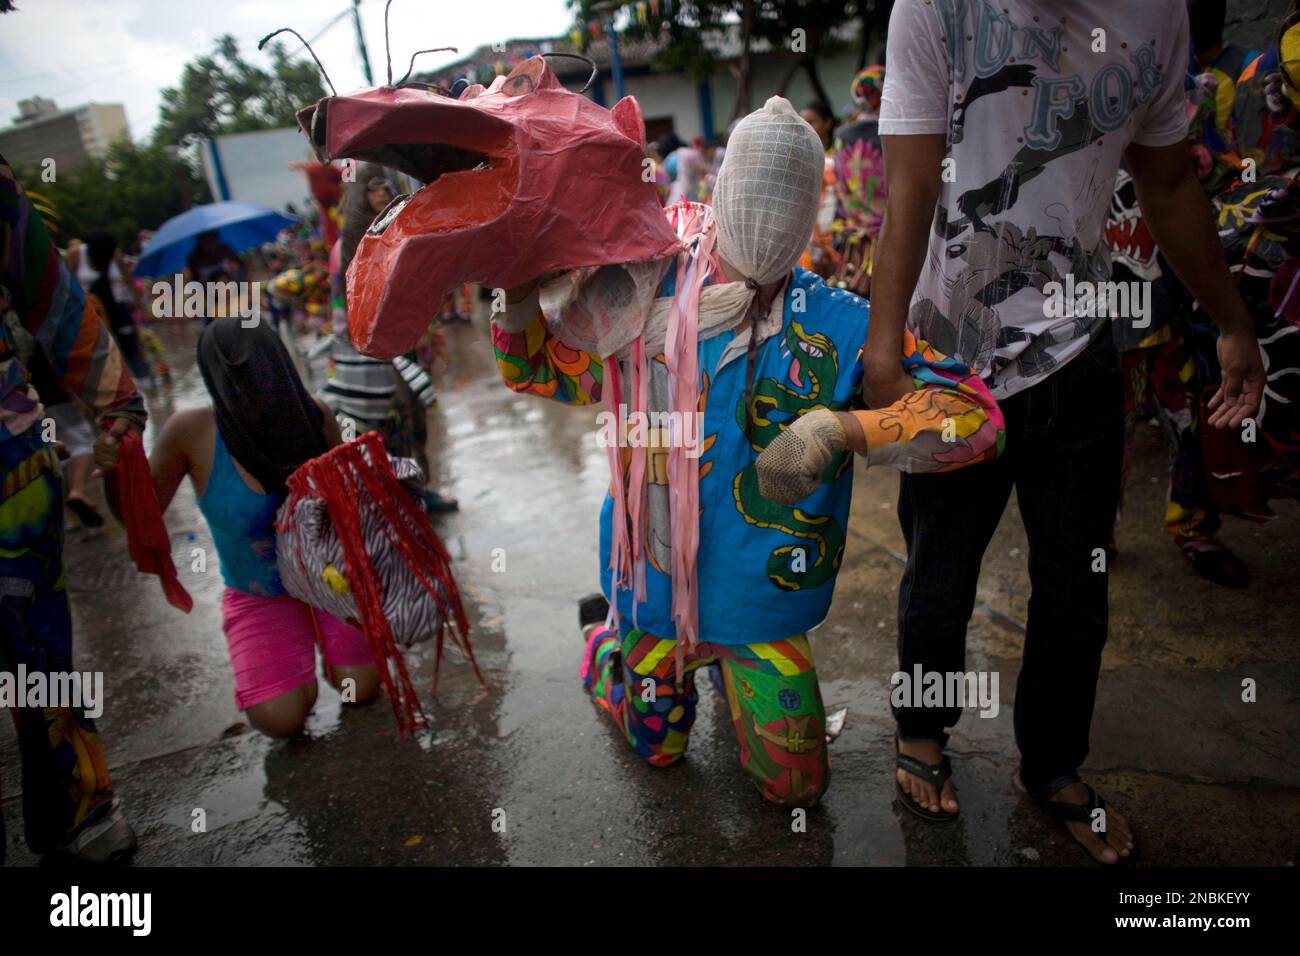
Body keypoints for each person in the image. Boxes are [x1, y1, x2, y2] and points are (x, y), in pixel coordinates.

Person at [493, 97, 1004, 806]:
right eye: (755, 191)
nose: (767, 215)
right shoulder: (639, 285)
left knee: (795, 789)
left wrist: (842, 430)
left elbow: (975, 419)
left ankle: (727, 673)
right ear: (723, 189)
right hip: (651, 589)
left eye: (787, 198)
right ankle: (604, 649)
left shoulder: (837, 323)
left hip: (759, 598)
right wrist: (516, 287)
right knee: (659, 747)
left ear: (810, 213)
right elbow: (537, 368)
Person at [870, 0, 1265, 862]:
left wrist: (1232, 321)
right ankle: (924, 731)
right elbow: (907, 184)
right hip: (952, 358)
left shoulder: (1154, 17)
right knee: (940, 572)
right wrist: (883, 348)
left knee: (1076, 588)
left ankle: (1052, 766)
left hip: (1085, 352)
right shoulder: (934, 8)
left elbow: (1166, 185)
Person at [123, 317, 379, 737]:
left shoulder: (314, 414)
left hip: (330, 582)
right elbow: (139, 516)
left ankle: (331, 660)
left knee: (359, 690)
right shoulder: (191, 431)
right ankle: (293, 675)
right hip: (258, 595)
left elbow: (349, 508)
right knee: (281, 720)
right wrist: (122, 465)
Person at [1, 154, 143, 863]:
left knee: (33, 642)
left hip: (10, 463)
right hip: (14, 453)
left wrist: (118, 404)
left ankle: (75, 806)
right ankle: (76, 811)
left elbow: (49, 296)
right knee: (33, 643)